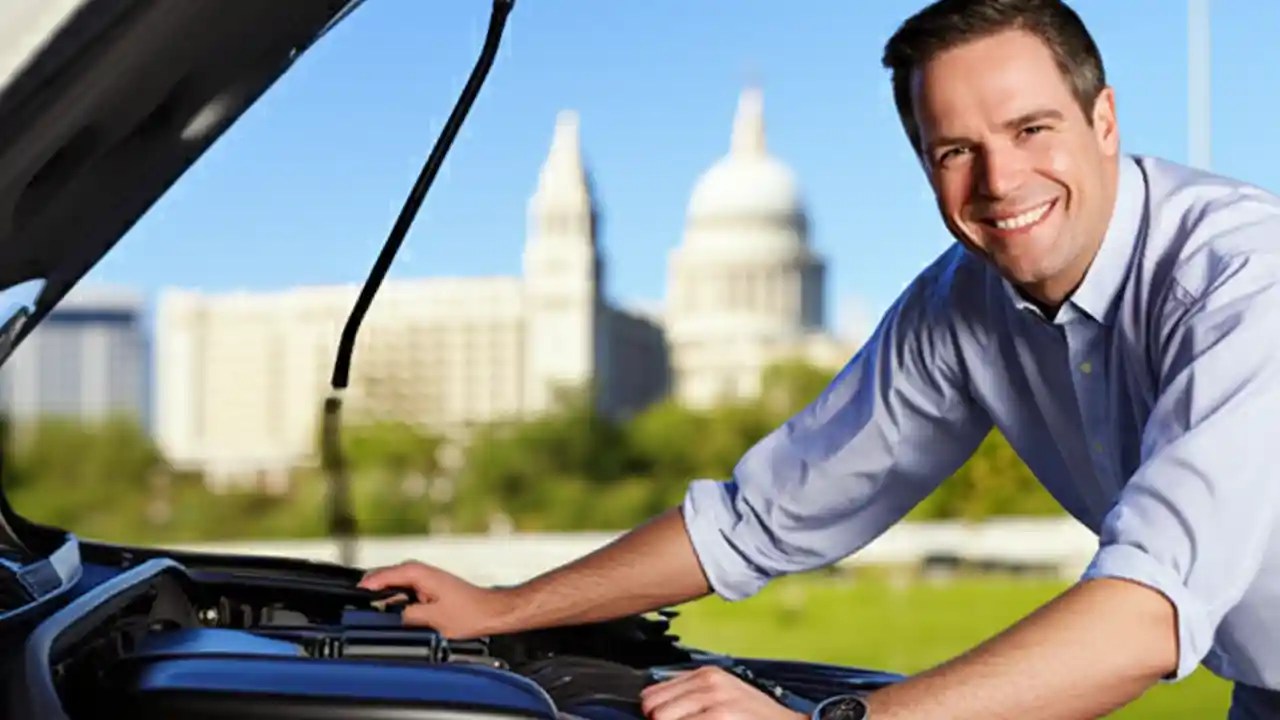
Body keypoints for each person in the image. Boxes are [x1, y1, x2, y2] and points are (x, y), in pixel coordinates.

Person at [361, 0, 1280, 717]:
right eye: (956, 149)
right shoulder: (959, 302)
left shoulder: (1244, 279)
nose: (1000, 182)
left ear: (1104, 119)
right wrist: (506, 608)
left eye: (1033, 129)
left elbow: (1146, 616)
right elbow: (761, 517)